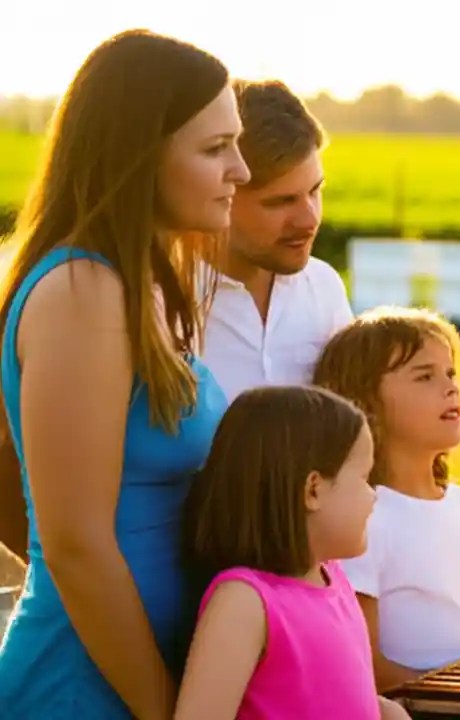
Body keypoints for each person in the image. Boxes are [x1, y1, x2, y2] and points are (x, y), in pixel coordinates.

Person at [0, 29, 247, 718]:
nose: (242, 171)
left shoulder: (143, 290)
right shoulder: (84, 291)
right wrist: (165, 705)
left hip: (143, 678)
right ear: (140, 156)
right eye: (215, 148)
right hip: (86, 690)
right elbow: (75, 544)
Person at [311, 305, 460, 692]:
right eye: (424, 376)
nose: (450, 387)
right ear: (365, 404)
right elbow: (364, 663)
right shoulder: (363, 519)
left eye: (450, 373)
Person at [177, 385, 410, 719]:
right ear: (312, 490)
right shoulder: (244, 602)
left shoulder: (333, 578)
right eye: (363, 478)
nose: (373, 495)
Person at [200, 78, 353, 402]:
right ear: (220, 193)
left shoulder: (324, 288)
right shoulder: (157, 303)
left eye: (315, 191)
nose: (310, 219)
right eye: (280, 202)